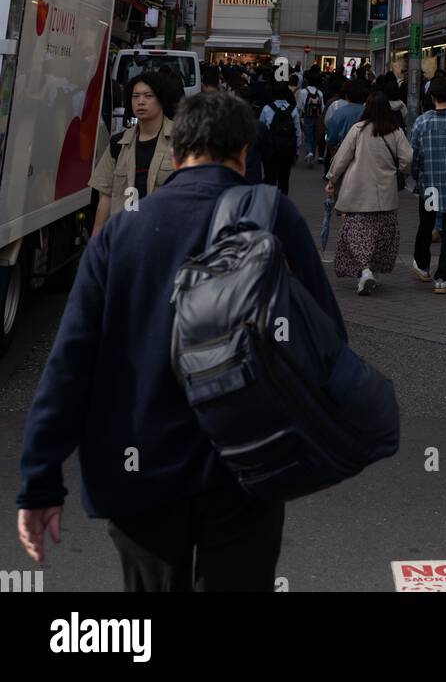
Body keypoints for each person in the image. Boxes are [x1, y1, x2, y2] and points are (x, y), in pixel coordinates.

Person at [17, 92, 345, 593]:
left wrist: (41, 479)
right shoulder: (273, 215)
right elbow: (327, 337)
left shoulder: (121, 234)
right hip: (246, 462)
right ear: (244, 154)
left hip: (140, 464)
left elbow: (70, 363)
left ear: (175, 155)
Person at [325, 92, 413, 295]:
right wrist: (397, 170)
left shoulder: (358, 129)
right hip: (385, 195)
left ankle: (365, 272)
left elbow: (341, 159)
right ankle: (368, 272)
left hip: (358, 194)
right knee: (379, 236)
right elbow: (407, 158)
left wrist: (331, 180)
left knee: (355, 234)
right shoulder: (395, 131)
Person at [90, 72, 179, 236]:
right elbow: (106, 197)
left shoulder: (182, 141)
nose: (141, 102)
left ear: (161, 100)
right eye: (135, 96)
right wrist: (95, 247)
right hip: (125, 237)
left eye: (148, 96)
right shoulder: (118, 144)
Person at [410, 73, 446, 293]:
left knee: (426, 225)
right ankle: (442, 279)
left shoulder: (422, 121)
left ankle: (423, 266)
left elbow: (414, 156)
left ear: (432, 96)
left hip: (430, 186)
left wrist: (416, 175)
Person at [259, 80, 302, 193]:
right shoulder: (293, 110)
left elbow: (260, 130)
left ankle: (269, 205)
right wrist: (297, 151)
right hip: (287, 150)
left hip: (270, 150)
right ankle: (282, 204)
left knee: (270, 178)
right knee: (284, 180)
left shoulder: (267, 109)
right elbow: (298, 132)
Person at [326, 78, 368, 150]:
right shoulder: (369, 111)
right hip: (365, 151)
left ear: (347, 95)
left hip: (343, 150)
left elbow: (331, 138)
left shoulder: (339, 113)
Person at [299, 74, 325, 164]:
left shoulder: (303, 91)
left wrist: (300, 116)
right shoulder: (320, 92)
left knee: (308, 135)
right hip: (317, 117)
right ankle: (313, 155)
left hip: (307, 116)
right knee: (314, 136)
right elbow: (322, 107)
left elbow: (300, 105)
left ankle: (309, 152)